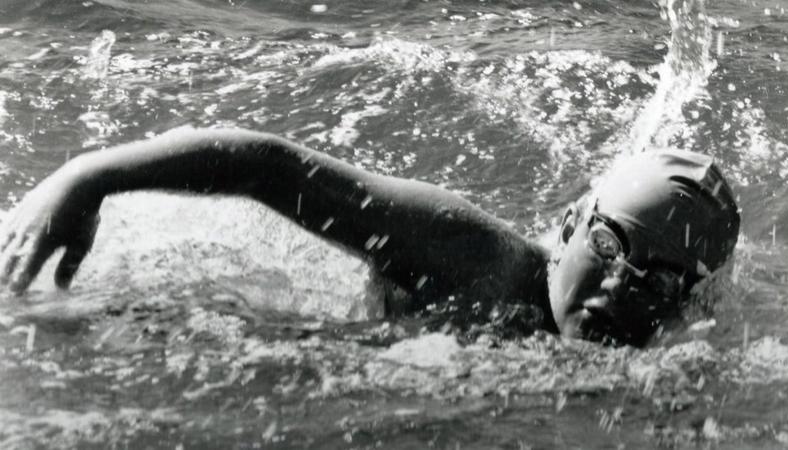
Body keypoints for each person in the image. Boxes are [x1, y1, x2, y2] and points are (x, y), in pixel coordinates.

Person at [0, 126, 740, 347]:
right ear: (576, 221)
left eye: (664, 280)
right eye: (611, 248)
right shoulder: (472, 258)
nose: (623, 288)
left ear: (692, 299)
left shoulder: (658, 352)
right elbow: (270, 167)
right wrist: (84, 180)